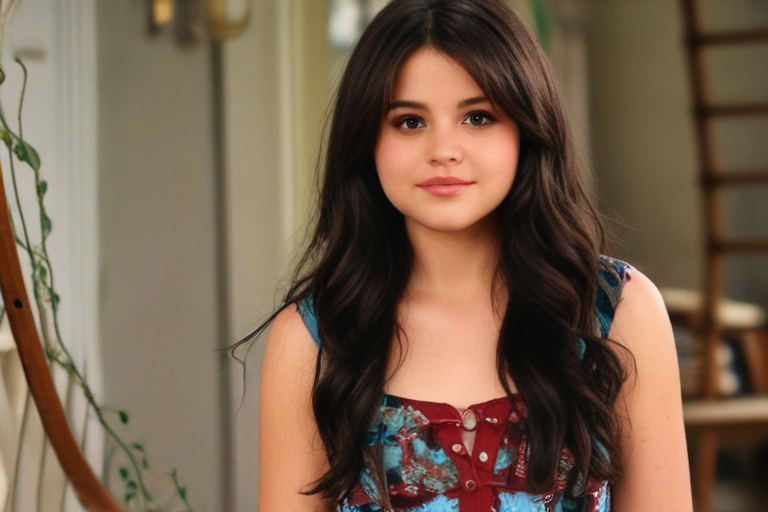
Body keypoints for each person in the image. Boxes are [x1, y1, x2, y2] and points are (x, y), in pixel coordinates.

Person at [240, 0, 693, 510]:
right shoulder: (312, 340)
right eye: (410, 122)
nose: (444, 149)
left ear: (526, 128)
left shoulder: (620, 311)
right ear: (367, 140)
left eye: (478, 117)